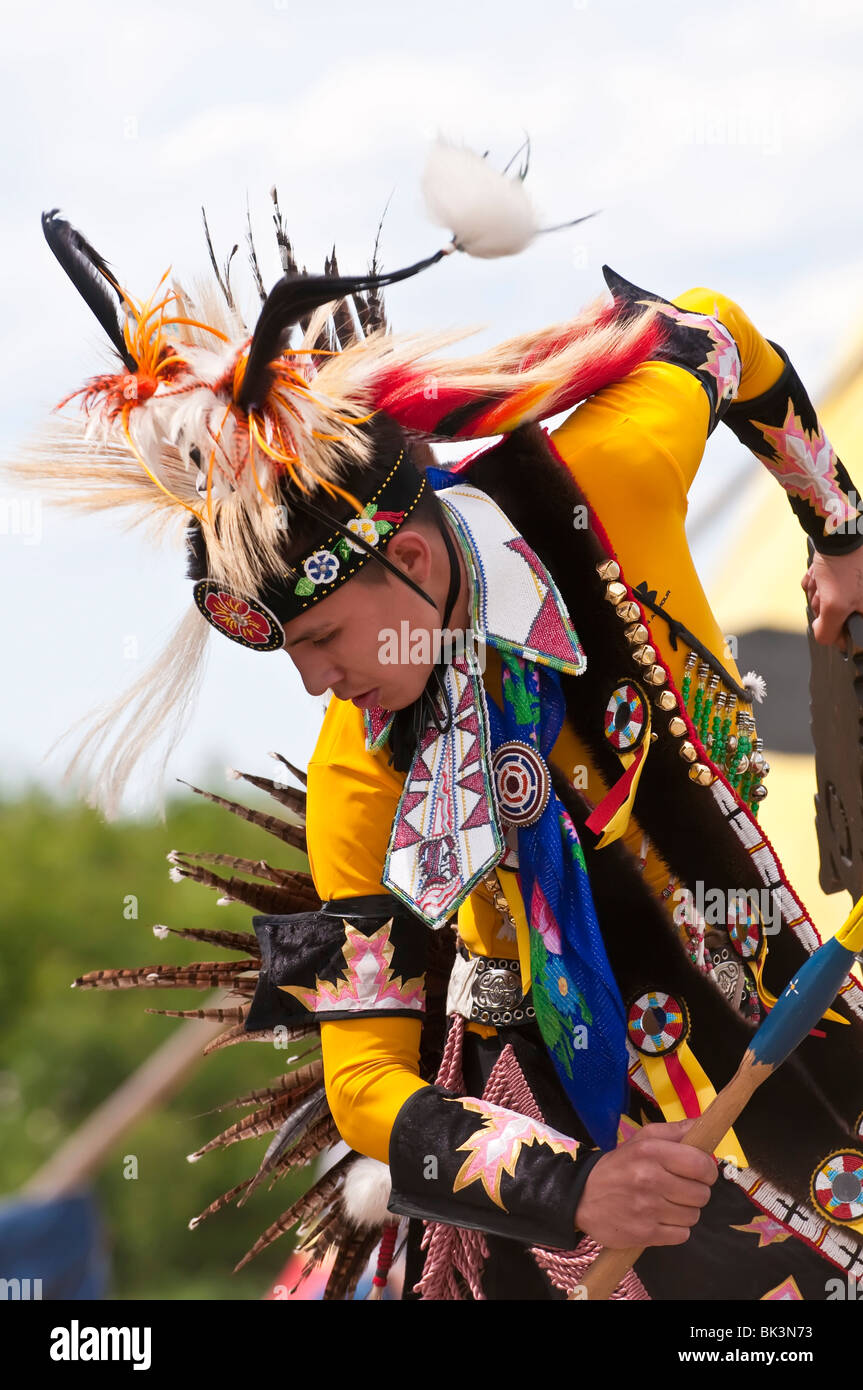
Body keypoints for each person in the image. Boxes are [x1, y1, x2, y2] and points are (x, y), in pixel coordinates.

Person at [18, 139, 863, 1300]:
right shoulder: (358, 776)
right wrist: (576, 1188)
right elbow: (362, 1073)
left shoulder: (604, 479)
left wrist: (835, 530)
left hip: (795, 1044)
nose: (316, 686)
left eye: (321, 643)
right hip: (573, 1147)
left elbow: (709, 335)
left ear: (409, 558)